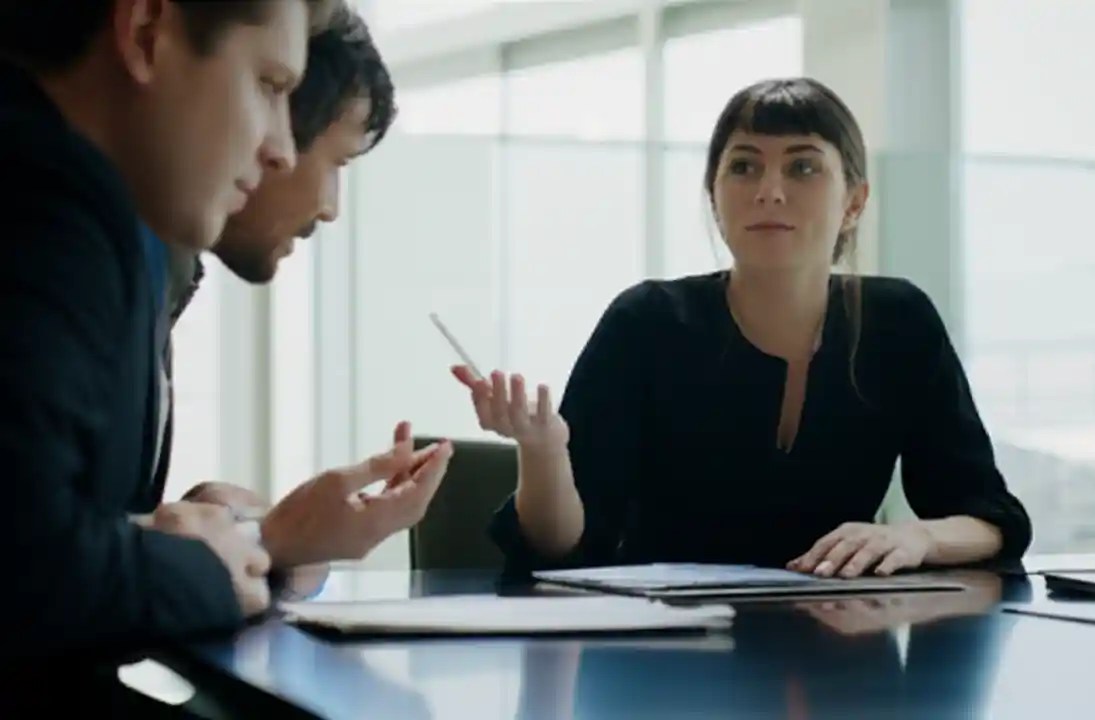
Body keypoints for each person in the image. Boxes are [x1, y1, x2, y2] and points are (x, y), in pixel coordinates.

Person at [453, 77, 1032, 578]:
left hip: (840, 644)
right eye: (743, 167)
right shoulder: (647, 322)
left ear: (854, 202)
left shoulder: (899, 321)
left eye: (803, 167)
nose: (769, 191)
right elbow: (559, 547)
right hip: (663, 649)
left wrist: (918, 537)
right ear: (714, 195)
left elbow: (990, 519)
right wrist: (543, 449)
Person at [157, 4, 436, 601]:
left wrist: (217, 526)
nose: (331, 208)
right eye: (337, 162)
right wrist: (265, 540)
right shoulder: (72, 254)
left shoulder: (161, 276)